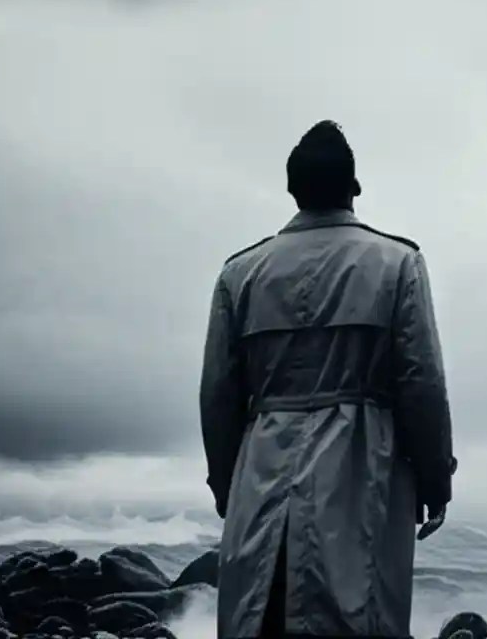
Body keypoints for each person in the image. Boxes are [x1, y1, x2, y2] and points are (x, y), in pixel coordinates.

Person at [199, 120, 457, 639]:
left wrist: (227, 483)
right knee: (357, 610)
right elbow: (421, 383)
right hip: (364, 468)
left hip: (262, 467)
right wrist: (435, 478)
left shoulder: (240, 273)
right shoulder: (398, 263)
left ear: (293, 189)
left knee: (260, 614)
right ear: (352, 188)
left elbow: (219, 395)